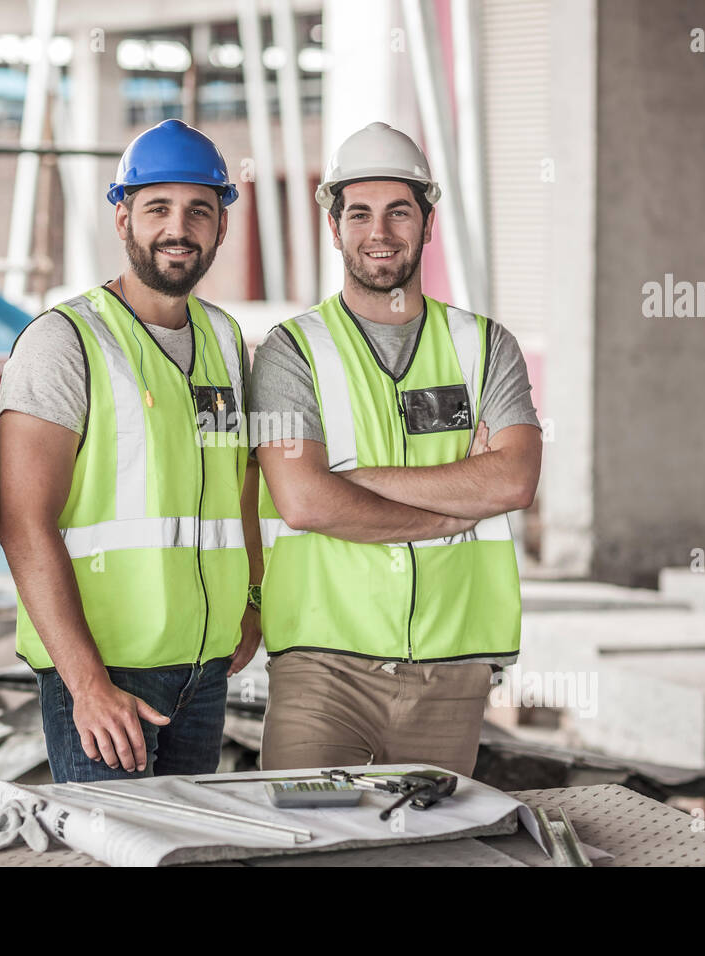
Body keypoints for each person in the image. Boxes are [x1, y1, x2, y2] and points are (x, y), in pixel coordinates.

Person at [252, 122, 542, 776]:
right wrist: (452, 507)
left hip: (454, 663)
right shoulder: (288, 351)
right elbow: (302, 500)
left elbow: (515, 483)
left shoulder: (485, 346)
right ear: (334, 227)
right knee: (307, 846)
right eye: (359, 213)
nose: (379, 233)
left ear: (428, 223)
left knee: (430, 849)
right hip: (322, 662)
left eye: (398, 212)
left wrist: (353, 479)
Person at [0, 119, 261, 782]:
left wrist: (252, 601)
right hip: (105, 674)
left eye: (199, 210)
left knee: (187, 854)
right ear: (122, 219)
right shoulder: (64, 342)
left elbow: (242, 485)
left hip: (203, 670)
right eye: (158, 209)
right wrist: (86, 683)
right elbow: (24, 522)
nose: (180, 227)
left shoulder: (226, 339)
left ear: (221, 226)